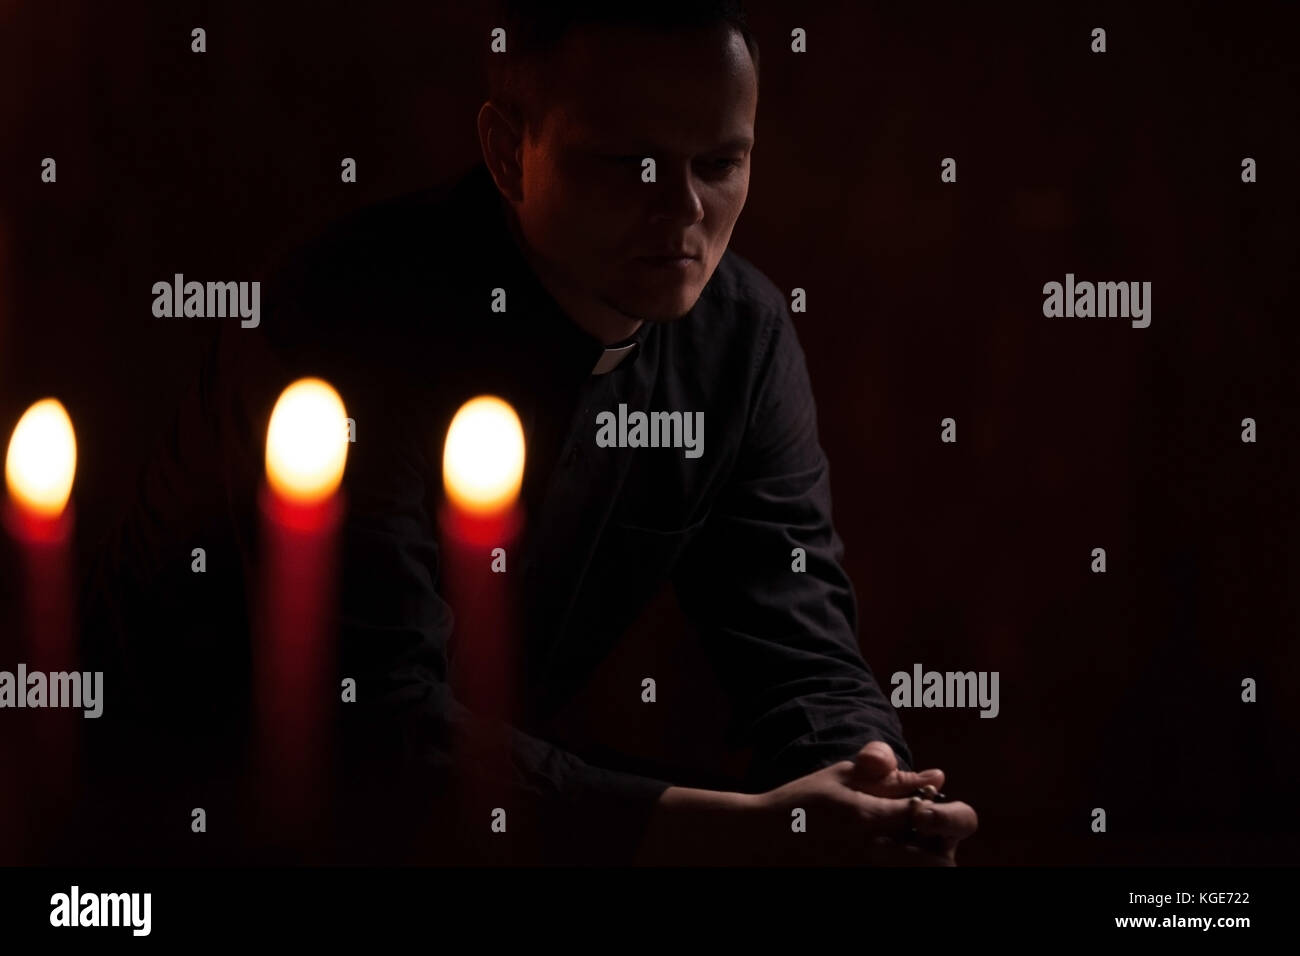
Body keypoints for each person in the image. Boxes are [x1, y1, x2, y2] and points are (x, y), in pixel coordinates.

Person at [83, 0, 977, 866]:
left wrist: (876, 791)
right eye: (629, 163)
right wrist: (747, 834)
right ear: (510, 152)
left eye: (720, 163)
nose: (683, 212)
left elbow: (800, 644)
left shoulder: (740, 339)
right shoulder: (340, 325)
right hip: (178, 820)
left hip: (483, 800)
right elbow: (371, 722)